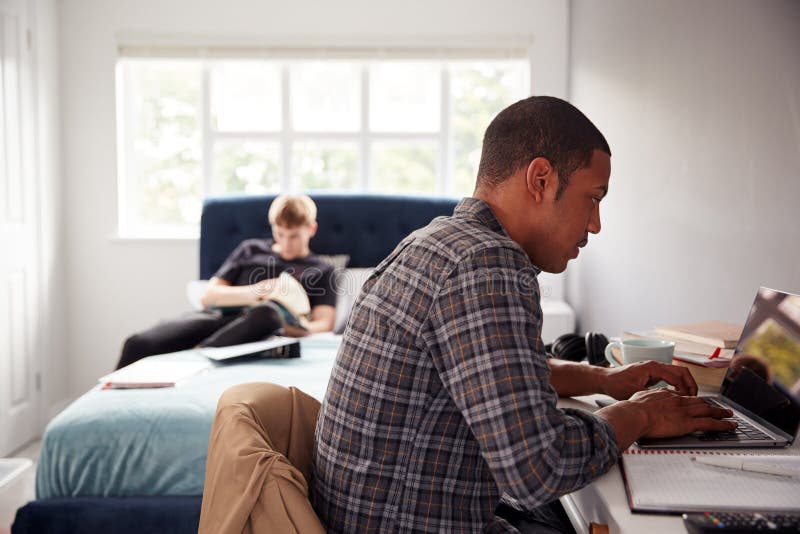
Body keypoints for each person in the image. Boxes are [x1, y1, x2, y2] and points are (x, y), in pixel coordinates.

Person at [311, 96, 737, 533]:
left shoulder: (435, 241)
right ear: (541, 179)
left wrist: (605, 379)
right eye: (592, 198)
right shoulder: (487, 263)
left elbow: (498, 372)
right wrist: (641, 414)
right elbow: (540, 468)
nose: (595, 224)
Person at [116, 194, 336, 370]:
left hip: (265, 328)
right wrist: (259, 291)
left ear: (311, 229)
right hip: (216, 318)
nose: (286, 243)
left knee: (267, 313)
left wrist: (289, 326)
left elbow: (324, 325)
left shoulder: (322, 270)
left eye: (294, 236)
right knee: (137, 344)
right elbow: (208, 296)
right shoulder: (250, 249)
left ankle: (194, 358)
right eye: (280, 234)